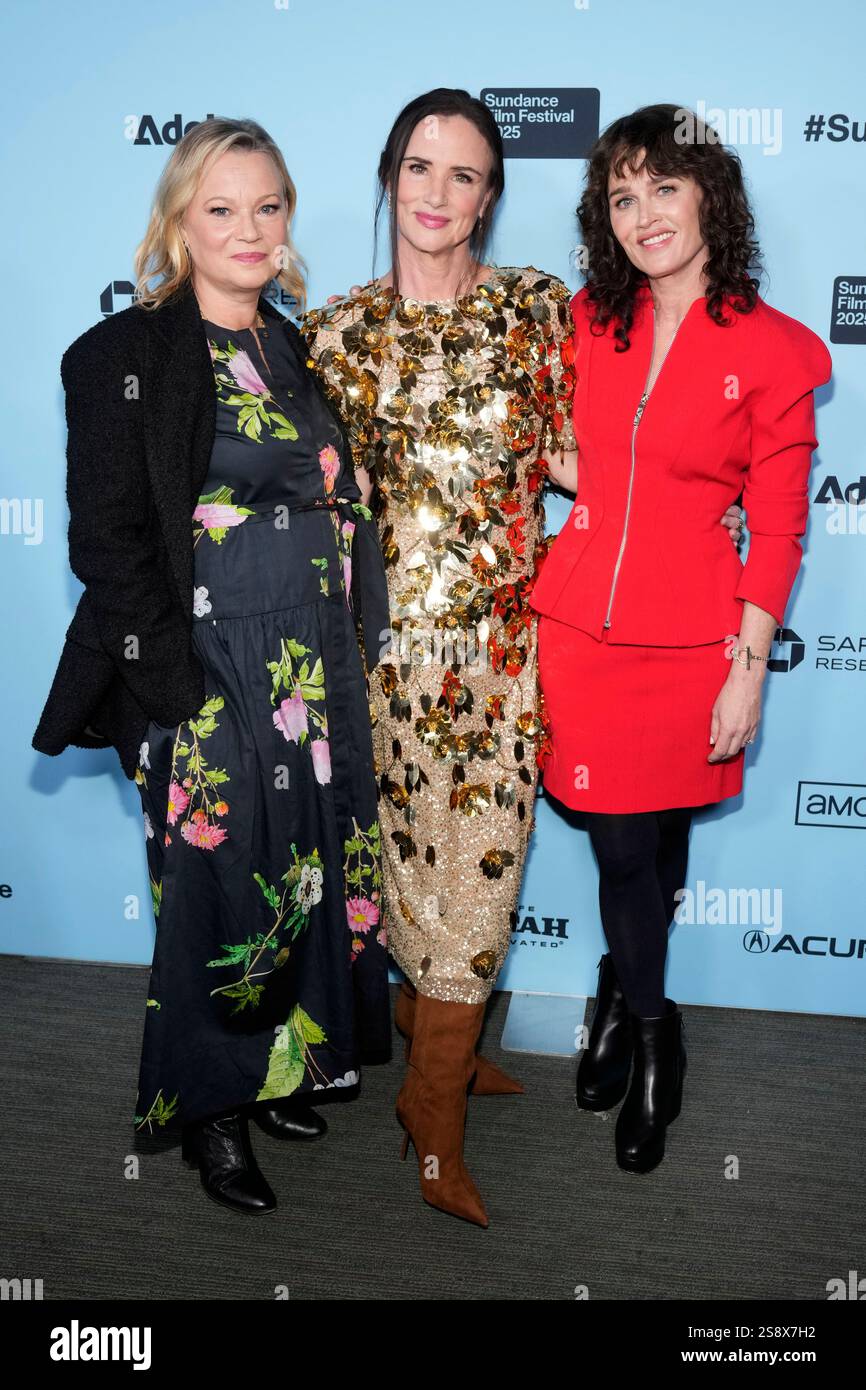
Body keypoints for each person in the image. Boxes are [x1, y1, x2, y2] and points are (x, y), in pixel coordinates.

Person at [301, 89, 745, 1223]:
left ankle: (431, 1114)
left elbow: (588, 455)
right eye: (418, 168)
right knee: (407, 882)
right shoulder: (335, 335)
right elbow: (304, 503)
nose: (436, 195)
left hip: (504, 653)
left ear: (490, 196)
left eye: (463, 175)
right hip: (382, 657)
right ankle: (436, 1049)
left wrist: (698, 515)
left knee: (483, 879)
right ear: (390, 177)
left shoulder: (537, 313)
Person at [32, 117, 392, 1216]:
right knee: (215, 887)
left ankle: (280, 1063)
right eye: (220, 209)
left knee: (301, 873)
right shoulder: (123, 354)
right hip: (204, 664)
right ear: (179, 222)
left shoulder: (295, 346)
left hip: (307, 666)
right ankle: (209, 1115)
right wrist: (169, 691)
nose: (247, 229)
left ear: (288, 222)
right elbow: (110, 540)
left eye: (267, 206)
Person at [529, 104, 832, 1174]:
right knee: (619, 840)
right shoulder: (581, 322)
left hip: (696, 637)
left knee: (657, 838)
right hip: (579, 627)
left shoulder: (775, 348)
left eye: (663, 185)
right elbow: (571, 458)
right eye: (620, 195)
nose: (642, 213)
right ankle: (654, 1022)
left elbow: (781, 524)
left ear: (710, 193)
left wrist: (746, 671)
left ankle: (630, 998)